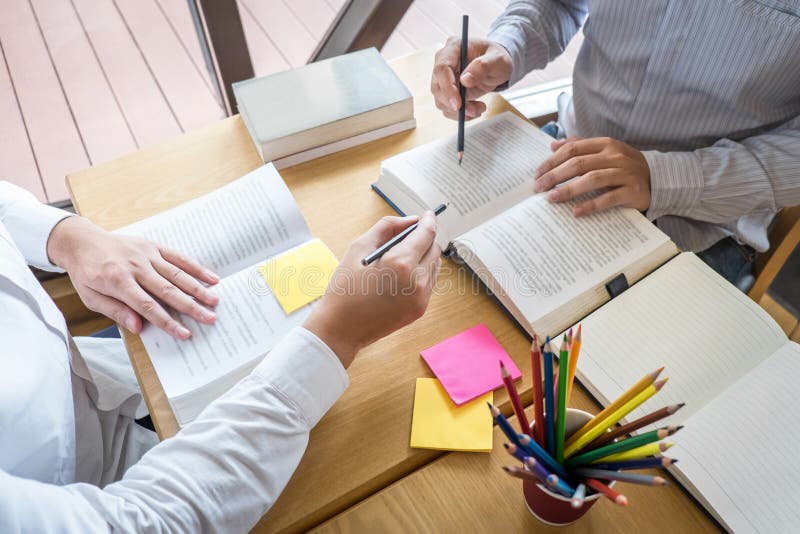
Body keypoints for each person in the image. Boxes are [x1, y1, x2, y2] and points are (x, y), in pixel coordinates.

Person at [0, 180, 441, 531]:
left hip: (96, 372)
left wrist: (67, 236)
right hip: (129, 481)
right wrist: (336, 336)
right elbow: (145, 523)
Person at [431, 0, 800, 287]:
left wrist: (663, 178)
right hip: (561, 157)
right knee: (433, 262)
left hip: (696, 226)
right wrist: (508, 44)